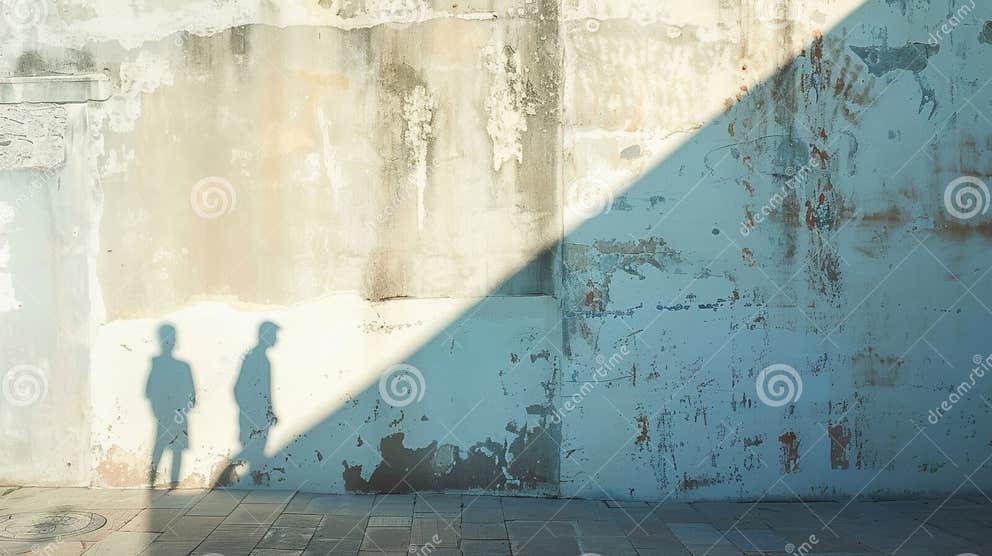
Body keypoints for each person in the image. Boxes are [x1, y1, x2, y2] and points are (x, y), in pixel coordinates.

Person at [146, 324, 195, 489]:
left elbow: (149, 392)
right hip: (173, 413)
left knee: (169, 446)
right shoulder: (176, 366)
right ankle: (165, 481)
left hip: (171, 412)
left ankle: (155, 481)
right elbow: (150, 391)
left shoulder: (159, 365)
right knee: (174, 447)